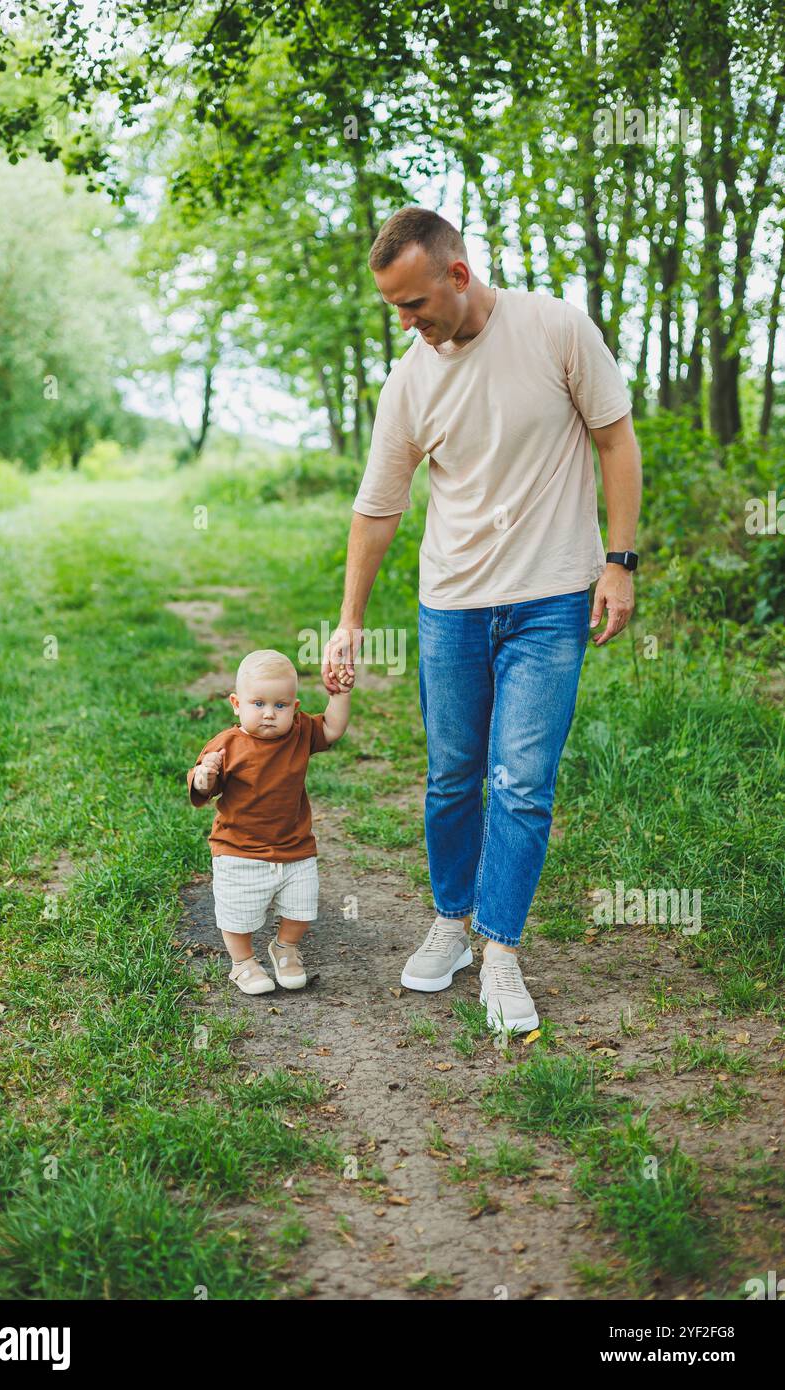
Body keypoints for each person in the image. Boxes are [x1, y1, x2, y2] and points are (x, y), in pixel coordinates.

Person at [321, 205, 641, 1042]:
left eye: (414, 304)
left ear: (457, 276)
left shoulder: (557, 330)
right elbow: (377, 507)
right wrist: (350, 621)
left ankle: (500, 950)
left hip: (551, 600)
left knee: (522, 782)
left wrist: (621, 559)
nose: (407, 322)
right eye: (393, 308)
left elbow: (615, 441)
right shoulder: (411, 378)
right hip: (451, 608)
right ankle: (450, 922)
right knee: (452, 777)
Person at [188, 649, 352, 994]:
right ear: (236, 704)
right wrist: (205, 776)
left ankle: (285, 947)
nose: (268, 714)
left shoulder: (300, 732)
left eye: (280, 706)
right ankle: (242, 963)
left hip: (294, 846)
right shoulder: (227, 745)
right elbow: (204, 786)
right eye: (258, 703)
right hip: (239, 849)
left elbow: (334, 728)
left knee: (303, 908)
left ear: (294, 708)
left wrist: (340, 694)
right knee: (237, 914)